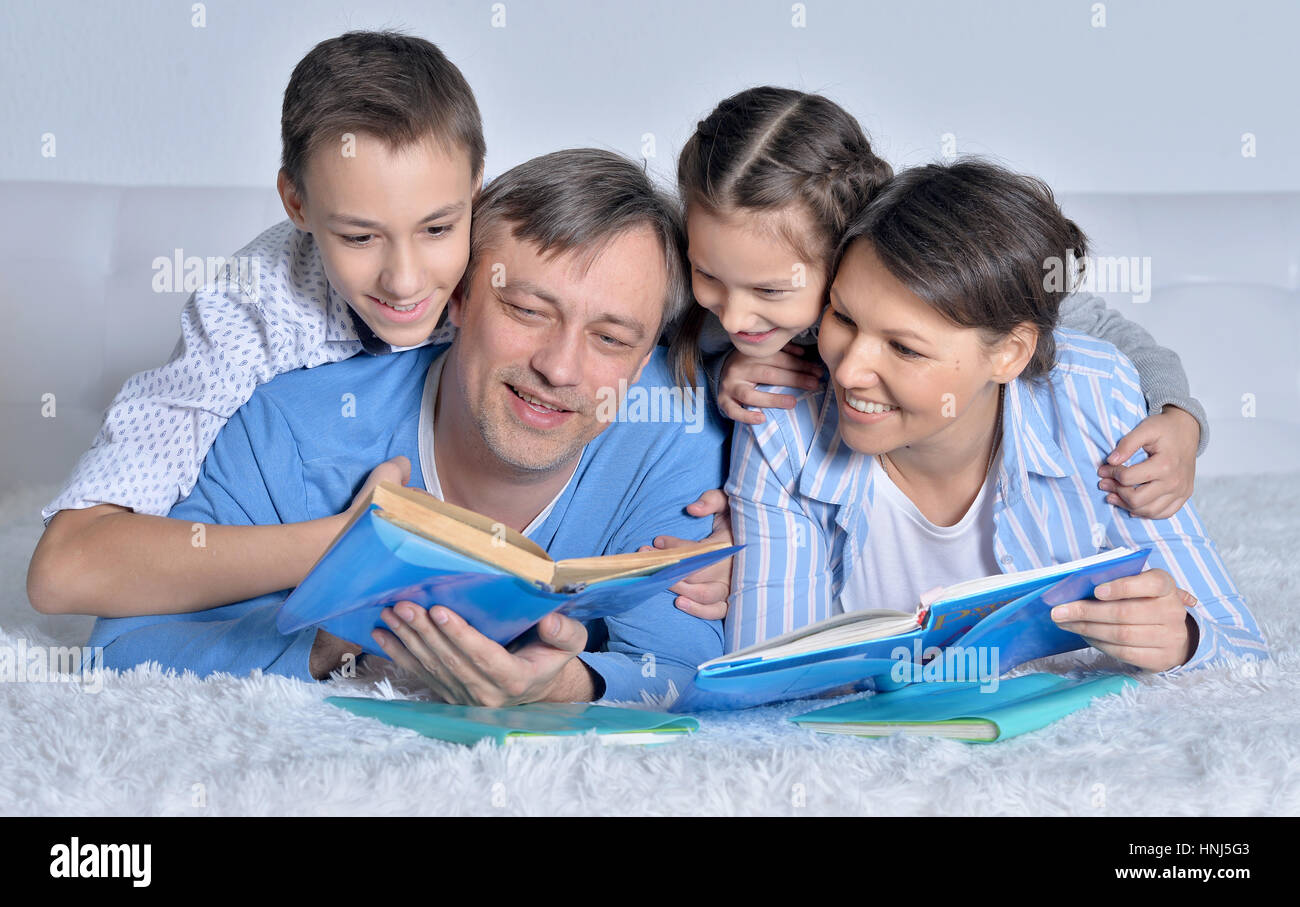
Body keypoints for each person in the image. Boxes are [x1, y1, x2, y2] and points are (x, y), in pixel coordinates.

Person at [28, 30, 726, 620]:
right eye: (360, 237)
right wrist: (349, 546)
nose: (406, 280)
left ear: (476, 188)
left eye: (437, 227)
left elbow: (638, 316)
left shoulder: (512, 247)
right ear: (296, 203)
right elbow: (64, 568)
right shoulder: (248, 311)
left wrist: (735, 531)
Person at [81, 148, 734, 706]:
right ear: (457, 298)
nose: (560, 367)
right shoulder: (290, 426)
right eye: (528, 310)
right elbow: (122, 645)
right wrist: (332, 643)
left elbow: (682, 670)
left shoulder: (675, 428)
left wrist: (566, 687)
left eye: (612, 337)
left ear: (646, 355)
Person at [724, 159, 1266, 674]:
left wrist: (1185, 640)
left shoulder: (1096, 395)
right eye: (841, 317)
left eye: (905, 348)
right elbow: (763, 668)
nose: (848, 372)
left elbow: (1241, 648)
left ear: (1008, 354)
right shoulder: (780, 415)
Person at [666, 86, 1207, 541]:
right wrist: (720, 373)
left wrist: (1178, 416)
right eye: (709, 276)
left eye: (770, 290)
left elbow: (1110, 334)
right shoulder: (705, 309)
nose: (735, 315)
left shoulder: (927, 278)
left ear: (848, 256)